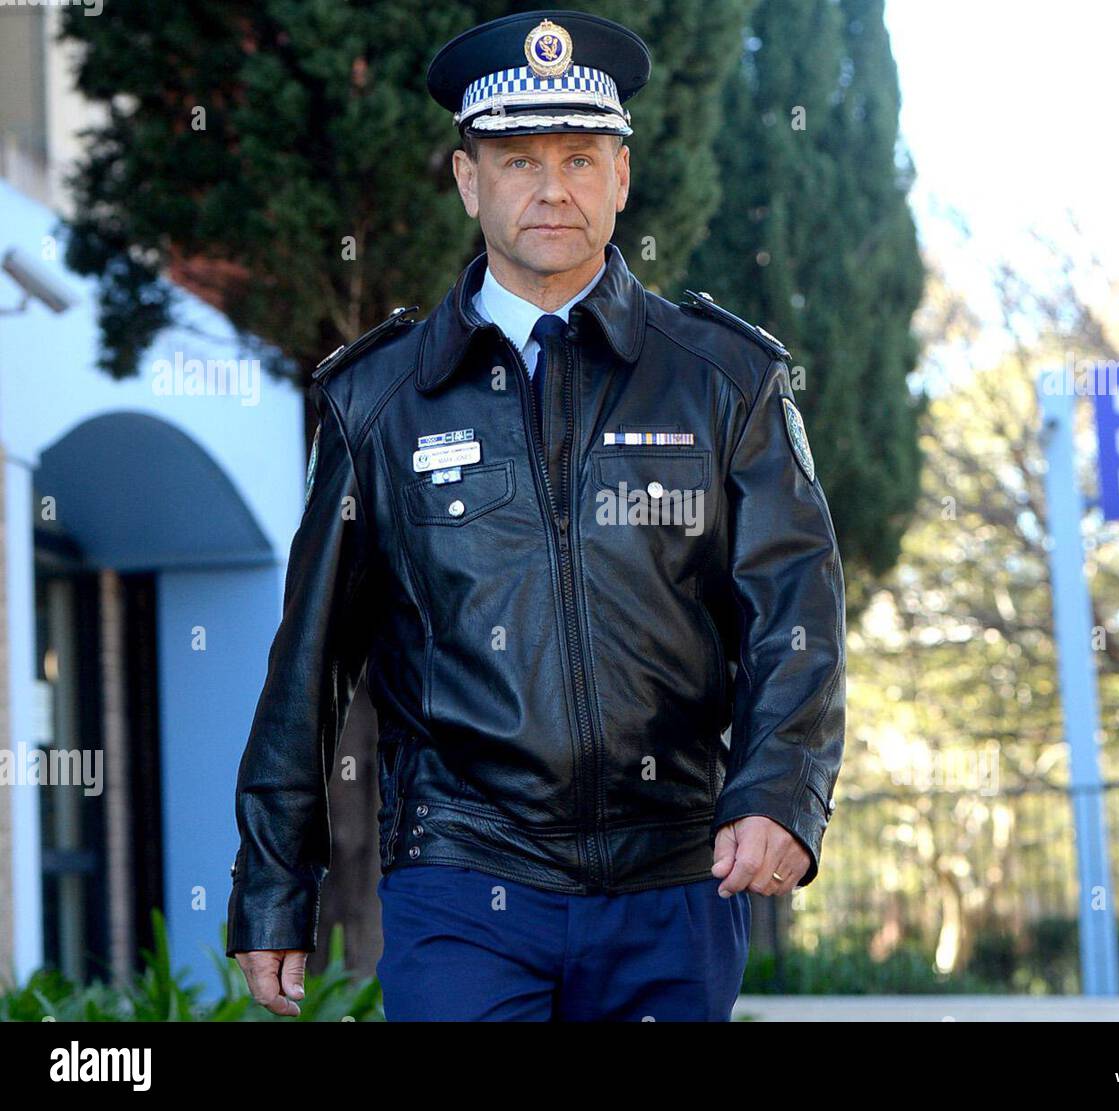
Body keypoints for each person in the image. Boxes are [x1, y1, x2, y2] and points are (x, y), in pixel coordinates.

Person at [226, 8, 846, 1022]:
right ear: (469, 181)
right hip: (464, 877)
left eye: (578, 158)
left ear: (621, 178)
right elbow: (309, 662)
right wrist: (269, 884)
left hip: (674, 878)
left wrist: (781, 793)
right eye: (517, 161)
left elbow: (798, 611)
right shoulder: (376, 400)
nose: (550, 188)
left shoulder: (726, 380)